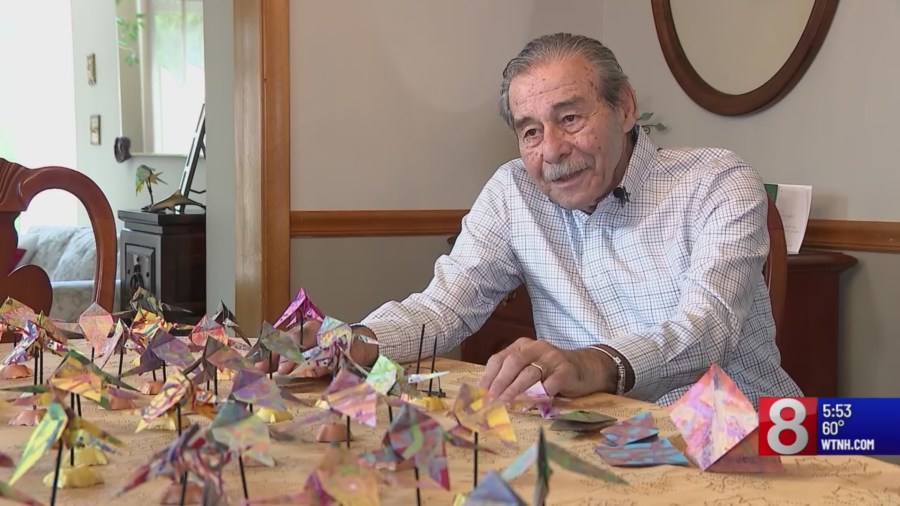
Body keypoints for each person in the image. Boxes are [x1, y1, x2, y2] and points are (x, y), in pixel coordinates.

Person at [266, 33, 802, 408]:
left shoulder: (718, 180)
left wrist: (593, 365)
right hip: (593, 437)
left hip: (746, 437)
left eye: (570, 117)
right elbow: (444, 308)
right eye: (530, 131)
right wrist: (355, 340)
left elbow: (706, 329)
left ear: (625, 107)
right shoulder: (513, 191)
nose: (552, 150)